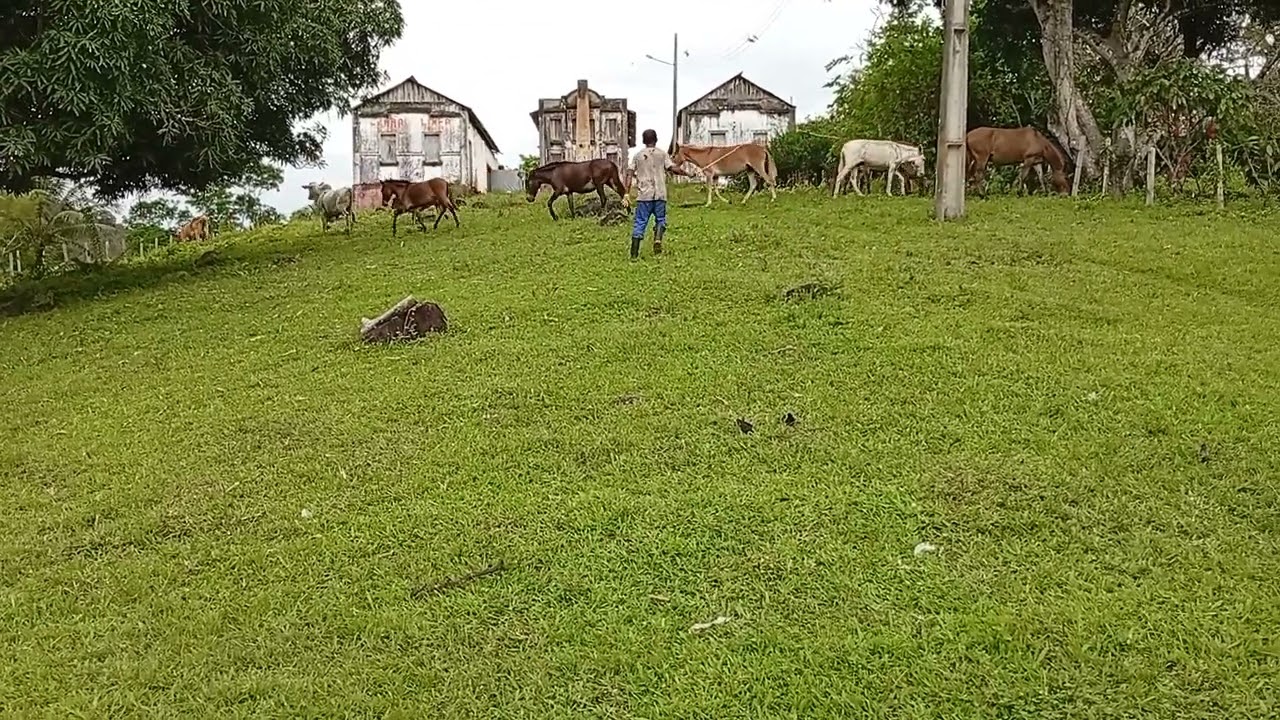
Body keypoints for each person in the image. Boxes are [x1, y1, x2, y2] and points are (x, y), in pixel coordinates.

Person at [625, 129, 693, 259]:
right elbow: (672, 168)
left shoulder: (638, 156)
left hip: (644, 195)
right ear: (656, 140)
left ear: (644, 141)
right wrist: (687, 174)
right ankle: (657, 239)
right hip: (660, 194)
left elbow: (629, 173)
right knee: (661, 219)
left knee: (640, 222)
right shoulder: (662, 154)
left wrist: (626, 193)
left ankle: (634, 254)